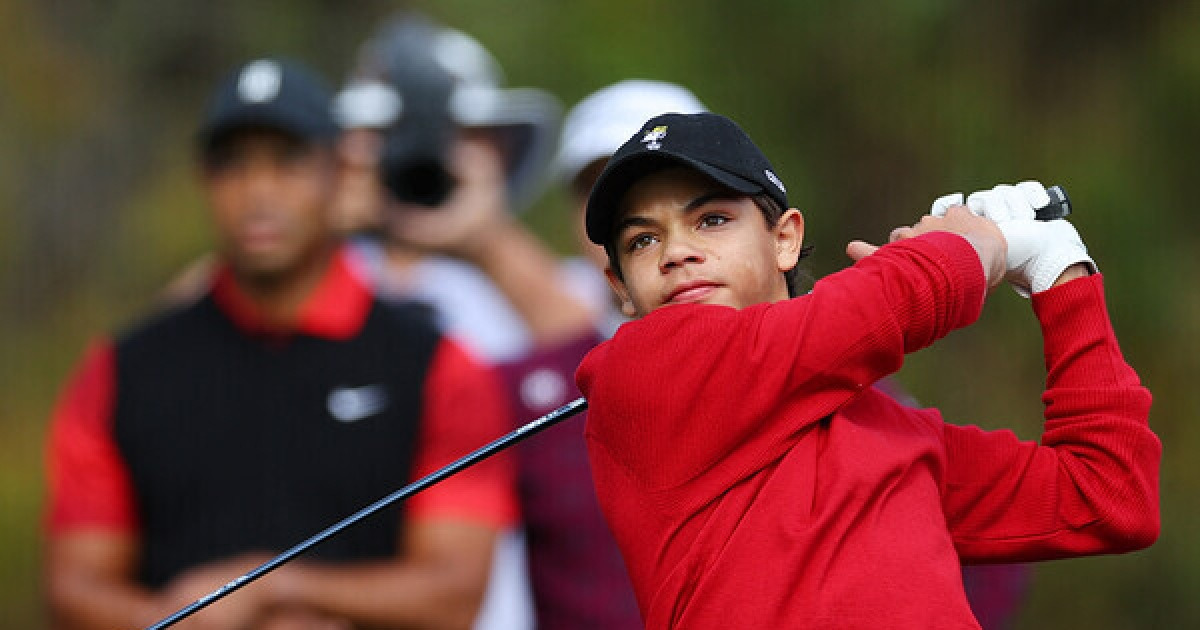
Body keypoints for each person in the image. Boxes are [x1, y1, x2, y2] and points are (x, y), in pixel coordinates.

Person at [575, 111, 1160, 628]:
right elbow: (897, 296)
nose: (675, 251)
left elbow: (1108, 496)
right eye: (644, 240)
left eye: (711, 221)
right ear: (622, 291)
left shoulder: (888, 431)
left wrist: (1061, 270)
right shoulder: (637, 372)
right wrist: (964, 245)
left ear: (785, 239)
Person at [43, 58, 517, 630]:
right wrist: (181, 622)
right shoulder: (122, 371)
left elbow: (454, 593)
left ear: (341, 173)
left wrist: (270, 585)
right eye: (233, 165)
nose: (258, 191)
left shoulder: (438, 364)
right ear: (204, 179)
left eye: (288, 161)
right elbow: (73, 588)